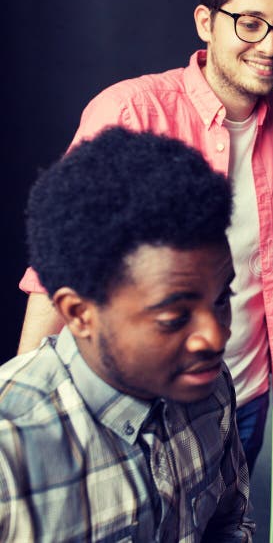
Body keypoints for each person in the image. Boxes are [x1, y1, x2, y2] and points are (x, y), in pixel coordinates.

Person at [16, 0, 273, 471]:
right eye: (251, 24)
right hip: (139, 403)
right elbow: (60, 265)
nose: (270, 47)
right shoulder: (130, 112)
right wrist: (22, 405)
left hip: (249, 394)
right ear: (206, 22)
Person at [0, 127, 253, 540]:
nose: (215, 337)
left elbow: (229, 523)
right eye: (174, 316)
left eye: (221, 298)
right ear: (79, 314)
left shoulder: (211, 386)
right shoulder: (10, 453)